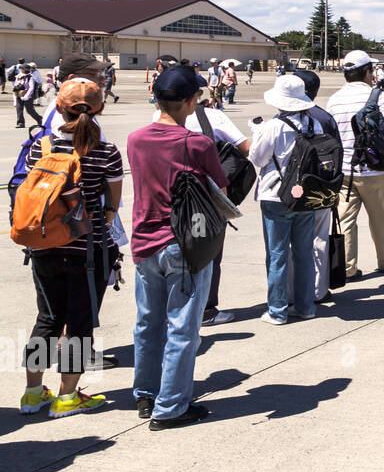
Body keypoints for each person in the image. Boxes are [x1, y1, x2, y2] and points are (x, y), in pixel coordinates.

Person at [128, 65, 228, 430]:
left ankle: (146, 392)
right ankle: (170, 407)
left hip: (144, 243)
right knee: (183, 327)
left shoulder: (136, 139)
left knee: (147, 323)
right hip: (183, 244)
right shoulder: (198, 144)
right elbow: (221, 192)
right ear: (189, 102)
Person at [18, 80, 123, 419]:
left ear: (58, 108)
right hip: (89, 250)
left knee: (47, 318)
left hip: (45, 246)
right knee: (79, 323)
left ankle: (33, 393)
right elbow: (112, 205)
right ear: (99, 109)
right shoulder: (107, 152)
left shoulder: (42, 146)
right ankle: (66, 397)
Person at [151, 97, 250, 327]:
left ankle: (172, 309)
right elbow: (245, 148)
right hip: (204, 205)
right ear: (194, 96)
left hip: (170, 201)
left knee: (175, 253)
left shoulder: (157, 119)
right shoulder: (213, 116)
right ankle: (205, 310)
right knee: (207, 254)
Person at [248, 75, 325, 324]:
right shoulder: (315, 125)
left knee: (277, 254)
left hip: (276, 196)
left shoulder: (273, 126)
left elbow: (257, 159)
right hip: (306, 195)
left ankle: (278, 310)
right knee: (304, 252)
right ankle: (306, 306)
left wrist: (257, 132)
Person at [326, 50, 384, 280]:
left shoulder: (334, 99)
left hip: (344, 170)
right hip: (374, 168)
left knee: (345, 220)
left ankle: (348, 267)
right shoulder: (377, 96)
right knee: (380, 216)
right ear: (366, 72)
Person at [293, 69, 343, 300]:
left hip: (293, 189)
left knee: (293, 242)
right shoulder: (324, 117)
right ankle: (319, 289)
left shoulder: (283, 117)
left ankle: (295, 290)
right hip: (321, 186)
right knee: (319, 239)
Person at [13, 63, 42, 128]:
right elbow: (15, 84)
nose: (20, 69)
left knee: (30, 110)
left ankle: (40, 119)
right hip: (19, 95)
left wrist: (27, 96)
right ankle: (20, 123)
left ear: (24, 69)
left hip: (28, 96)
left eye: (21, 68)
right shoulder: (18, 76)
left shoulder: (30, 77)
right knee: (19, 109)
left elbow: (31, 88)